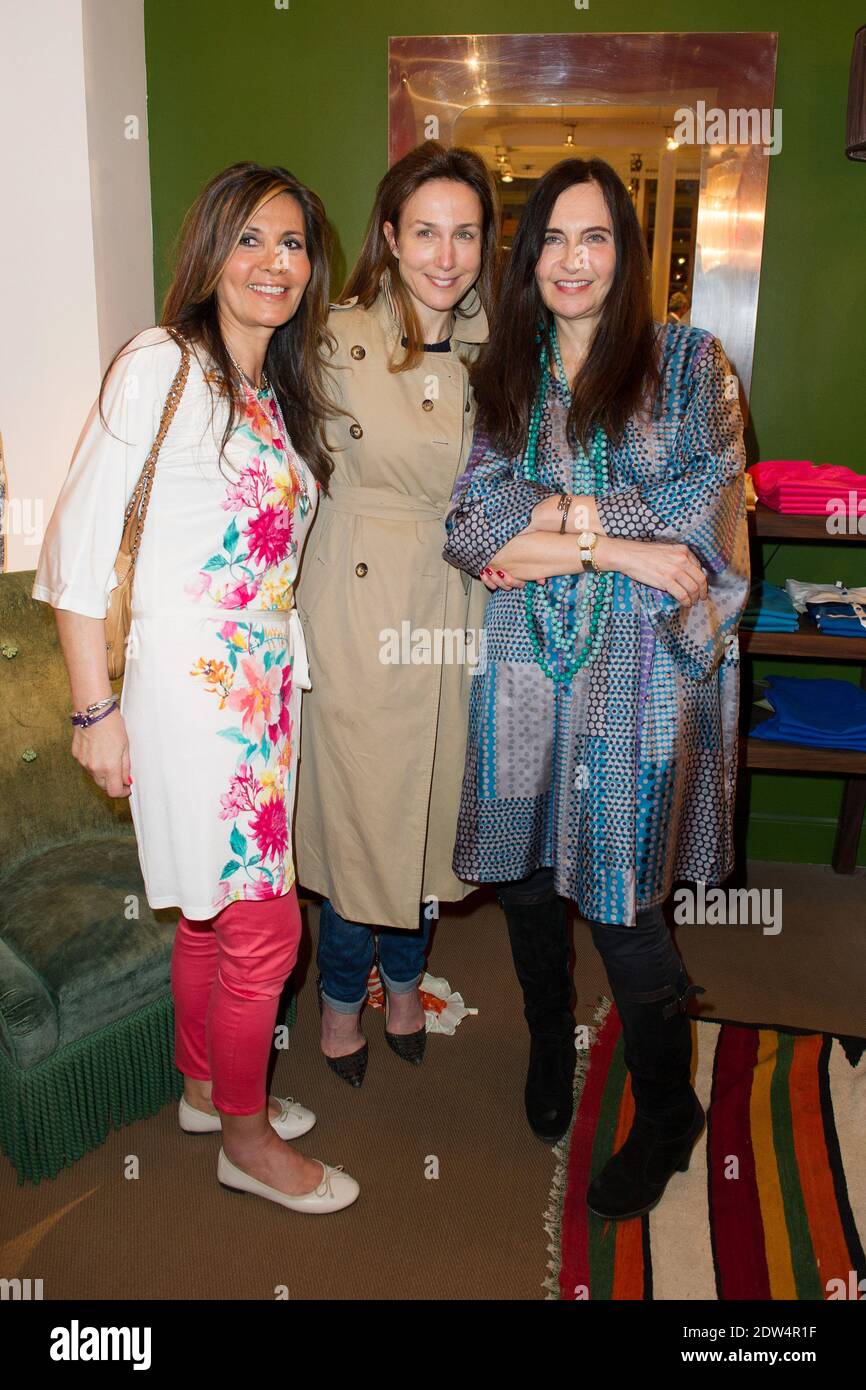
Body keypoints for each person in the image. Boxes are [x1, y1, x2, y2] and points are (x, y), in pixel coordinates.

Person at [32, 162, 359, 1214]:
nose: (275, 262)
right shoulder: (159, 362)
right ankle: (246, 1141)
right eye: (251, 238)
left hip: (261, 689)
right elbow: (76, 545)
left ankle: (204, 1089)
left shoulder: (268, 391)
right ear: (209, 251)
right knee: (267, 925)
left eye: (294, 243)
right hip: (190, 688)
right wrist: (94, 709)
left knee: (211, 920)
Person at [442, 157, 749, 1220]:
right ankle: (545, 1038)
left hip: (638, 678)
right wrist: (607, 543)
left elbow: (697, 532)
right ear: (530, 261)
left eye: (596, 238)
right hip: (526, 667)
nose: (572, 260)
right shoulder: (505, 378)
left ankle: (669, 1113)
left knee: (622, 909)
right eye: (553, 241)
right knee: (526, 881)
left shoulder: (689, 363)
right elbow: (470, 530)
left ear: (624, 251)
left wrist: (553, 524)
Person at [294, 142, 498, 1084]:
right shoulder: (330, 339)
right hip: (358, 601)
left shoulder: (504, 346)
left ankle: (407, 983)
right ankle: (340, 1002)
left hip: (458, 598)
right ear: (389, 235)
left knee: (429, 810)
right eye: (425, 232)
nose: (445, 255)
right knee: (363, 812)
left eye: (464, 232)